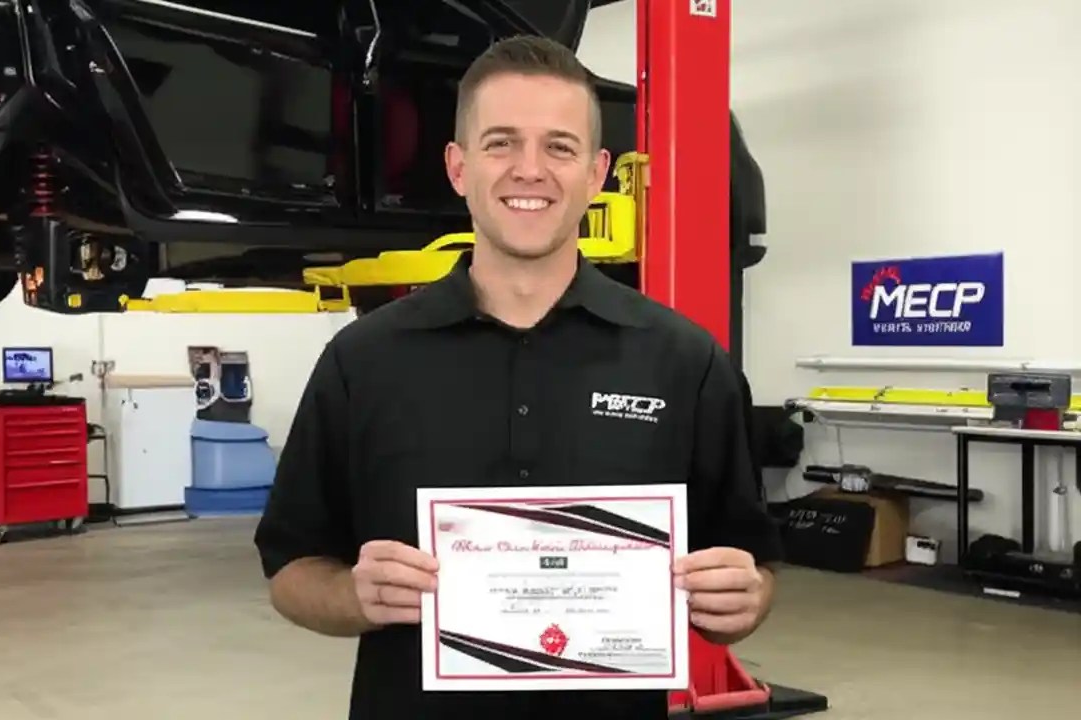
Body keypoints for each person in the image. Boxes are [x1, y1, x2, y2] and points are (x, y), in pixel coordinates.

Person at [253, 35, 782, 720]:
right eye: (501, 142)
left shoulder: (683, 361)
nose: (529, 170)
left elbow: (750, 566)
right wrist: (354, 596)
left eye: (559, 147)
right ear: (458, 166)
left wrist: (743, 600)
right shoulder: (364, 360)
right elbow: (291, 569)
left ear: (596, 173)